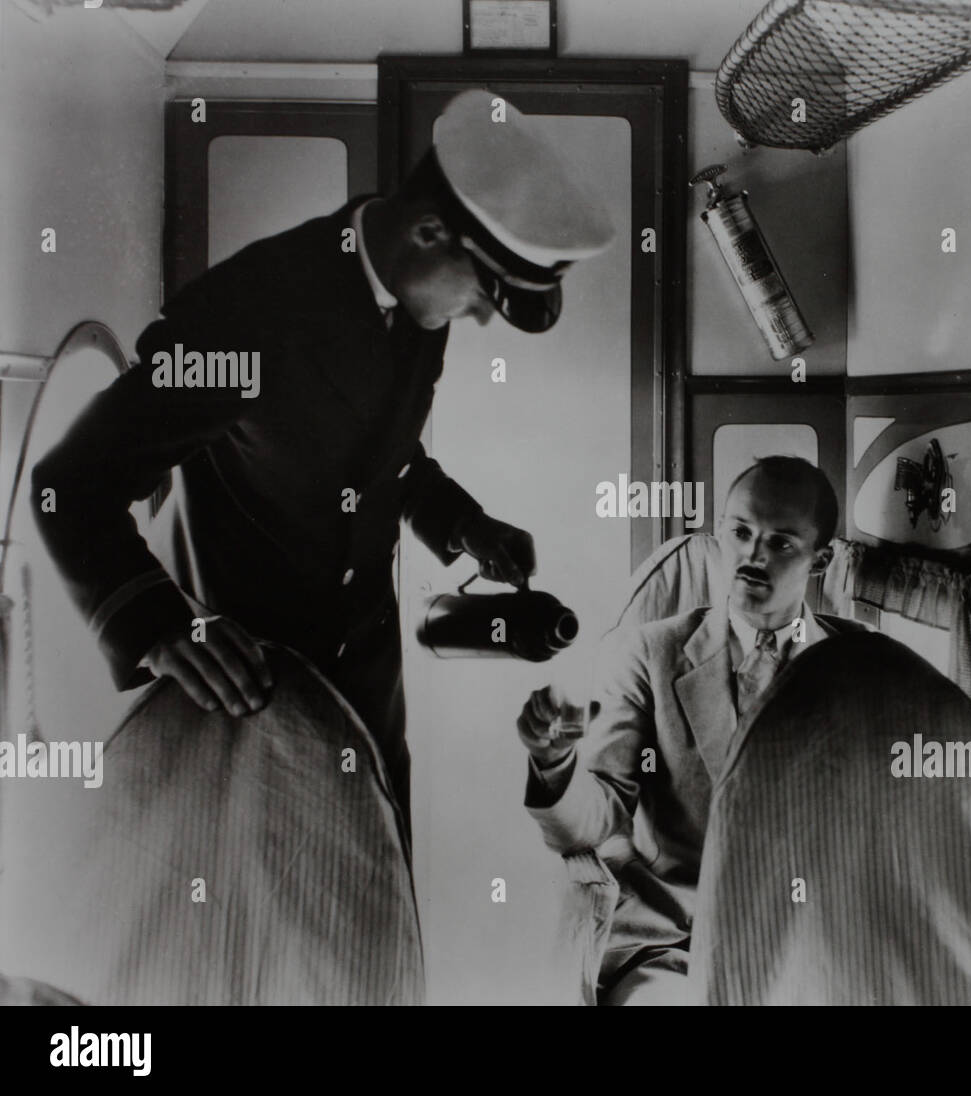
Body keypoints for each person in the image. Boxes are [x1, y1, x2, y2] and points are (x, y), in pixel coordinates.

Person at [31, 89, 614, 836]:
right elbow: (69, 484)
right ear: (431, 230)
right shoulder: (250, 318)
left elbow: (378, 457)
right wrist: (157, 625)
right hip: (251, 684)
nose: (478, 319)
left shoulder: (412, 307)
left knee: (380, 908)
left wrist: (464, 526)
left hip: (368, 683)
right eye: (484, 297)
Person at [516, 456, 863, 1004]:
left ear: (819, 560)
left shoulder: (860, 665)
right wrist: (555, 763)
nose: (753, 556)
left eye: (781, 543)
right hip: (674, 945)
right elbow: (602, 811)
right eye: (741, 532)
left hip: (815, 945)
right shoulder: (650, 653)